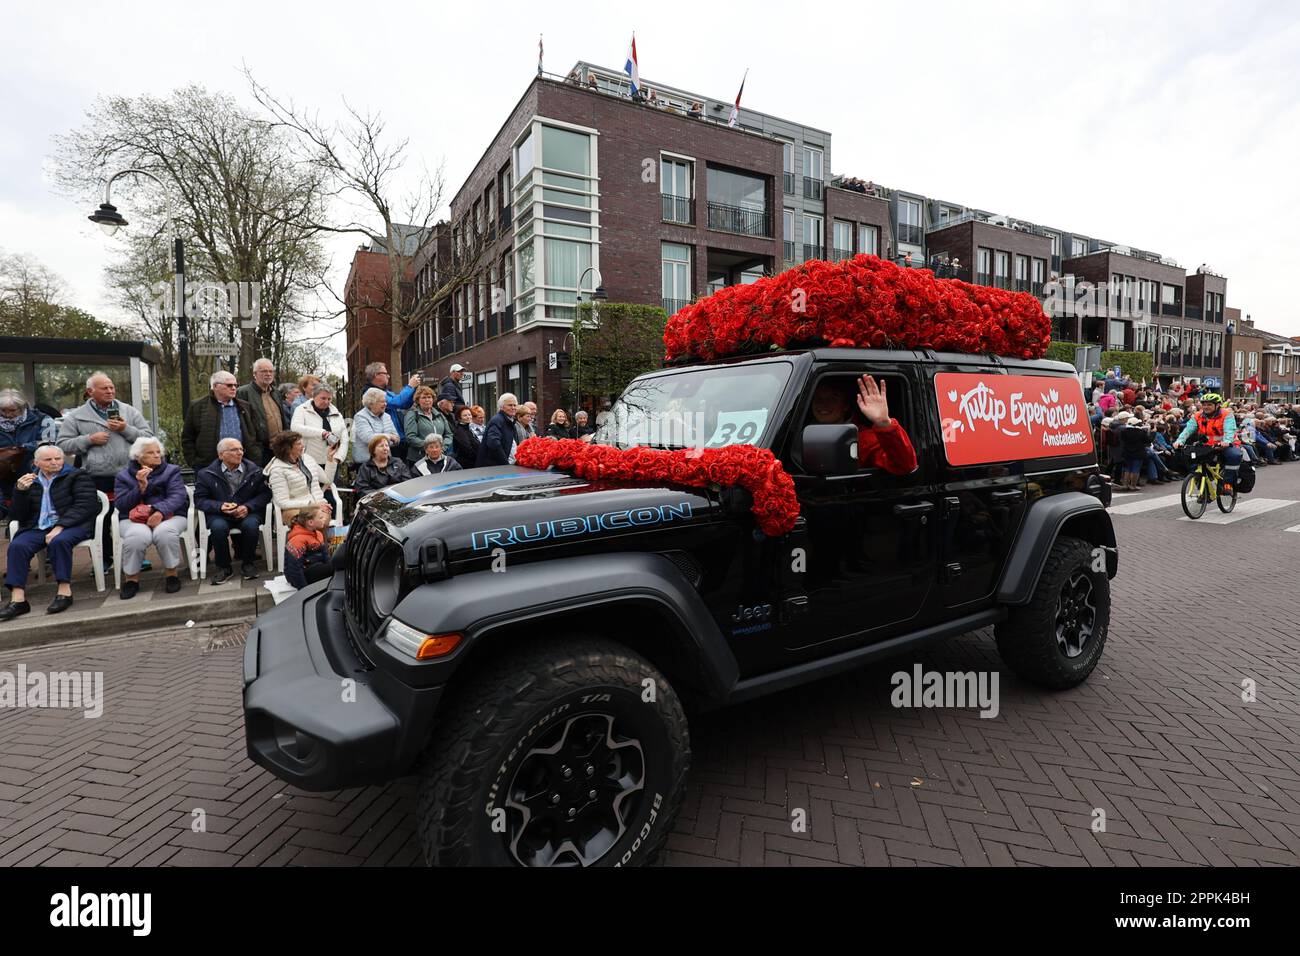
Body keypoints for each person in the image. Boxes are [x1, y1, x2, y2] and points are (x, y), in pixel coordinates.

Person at [56, 370, 153, 570]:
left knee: (132, 516)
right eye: (104, 388)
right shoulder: (77, 416)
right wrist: (88, 440)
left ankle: (135, 556)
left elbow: (148, 438)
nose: (110, 391)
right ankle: (104, 559)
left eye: (112, 387)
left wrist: (125, 429)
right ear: (90, 391)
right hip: (95, 477)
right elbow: (63, 445)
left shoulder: (128, 411)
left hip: (128, 475)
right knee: (100, 520)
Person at [0, 444, 98, 619]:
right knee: (17, 546)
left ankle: (64, 592)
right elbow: (17, 515)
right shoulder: (28, 481)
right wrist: (20, 492)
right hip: (38, 527)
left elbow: (85, 506)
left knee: (59, 541)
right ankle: (18, 600)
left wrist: (60, 527)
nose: (54, 462)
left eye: (58, 458)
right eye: (48, 459)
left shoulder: (77, 476)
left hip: (72, 526)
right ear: (36, 462)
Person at [113, 436, 189, 599]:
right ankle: (131, 579)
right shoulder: (124, 476)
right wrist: (140, 488)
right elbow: (121, 504)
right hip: (133, 519)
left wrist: (158, 511)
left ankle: (171, 574)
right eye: (150, 452)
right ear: (138, 457)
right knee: (136, 536)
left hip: (171, 515)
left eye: (158, 452)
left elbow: (178, 496)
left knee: (165, 533)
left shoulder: (171, 471)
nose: (157, 455)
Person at [193, 437, 270, 584]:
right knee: (218, 527)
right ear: (221, 455)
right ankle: (224, 568)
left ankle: (248, 563)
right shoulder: (206, 474)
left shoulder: (255, 471)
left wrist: (248, 507)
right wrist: (220, 506)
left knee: (251, 526)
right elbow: (200, 500)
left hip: (248, 511)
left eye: (241, 449)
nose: (239, 453)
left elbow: (265, 494)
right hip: (220, 514)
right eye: (234, 450)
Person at [807, 374, 916, 474]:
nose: (824, 403)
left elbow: (905, 466)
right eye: (818, 397)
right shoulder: (796, 429)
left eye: (833, 397)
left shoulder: (863, 438)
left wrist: (884, 423)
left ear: (845, 405)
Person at [182, 370, 265, 470]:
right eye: (229, 385)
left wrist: (256, 457)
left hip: (244, 464)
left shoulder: (245, 407)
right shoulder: (198, 407)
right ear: (216, 386)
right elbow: (188, 438)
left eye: (236, 385)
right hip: (209, 465)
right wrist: (195, 462)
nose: (234, 388)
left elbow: (258, 435)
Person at [290, 384, 349, 507]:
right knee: (312, 496)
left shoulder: (336, 413)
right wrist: (322, 433)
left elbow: (344, 438)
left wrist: (339, 457)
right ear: (314, 396)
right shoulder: (302, 409)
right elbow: (295, 428)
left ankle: (332, 521)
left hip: (332, 461)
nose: (326, 402)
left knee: (331, 496)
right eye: (323, 398)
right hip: (310, 461)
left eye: (329, 399)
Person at [1173, 393, 1241, 492]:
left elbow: (1229, 430)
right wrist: (1179, 441)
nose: (1206, 407)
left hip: (1225, 445)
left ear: (1217, 405)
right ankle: (1205, 493)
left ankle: (1228, 484)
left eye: (1209, 404)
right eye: (1204, 404)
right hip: (1207, 446)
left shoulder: (1226, 414)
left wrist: (1226, 441)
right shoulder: (1197, 416)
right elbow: (1188, 430)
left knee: (1234, 456)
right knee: (1193, 464)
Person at [0, 389, 57, 505]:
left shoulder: (42, 420)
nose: (7, 414)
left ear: (22, 407)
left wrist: (22, 448)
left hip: (34, 475)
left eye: (12, 410)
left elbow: (50, 444)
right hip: (3, 477)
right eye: (3, 410)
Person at [264, 430, 330, 524]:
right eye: (299, 444)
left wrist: (331, 460)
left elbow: (326, 480)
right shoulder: (277, 469)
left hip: (314, 505)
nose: (303, 446)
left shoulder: (307, 459)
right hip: (292, 509)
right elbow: (282, 502)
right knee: (315, 520)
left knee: (323, 516)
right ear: (287, 448)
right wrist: (312, 505)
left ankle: (320, 539)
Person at [363, 361, 421, 456]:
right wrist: (410, 386)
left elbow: (404, 404)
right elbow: (397, 402)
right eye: (386, 373)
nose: (388, 376)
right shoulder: (371, 393)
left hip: (398, 439)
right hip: (387, 443)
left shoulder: (386, 391)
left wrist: (413, 389)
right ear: (376, 375)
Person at [236, 358, 289, 459]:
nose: (268, 374)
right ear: (254, 374)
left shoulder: (276, 393)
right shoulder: (243, 392)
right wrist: (252, 448)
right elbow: (242, 423)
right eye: (264, 371)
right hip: (259, 449)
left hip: (278, 448)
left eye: (270, 371)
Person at [282, 505, 333, 590]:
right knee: (337, 566)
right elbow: (294, 569)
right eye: (320, 518)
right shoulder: (297, 540)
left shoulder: (318, 534)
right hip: (301, 575)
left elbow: (326, 556)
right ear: (310, 522)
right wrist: (304, 590)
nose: (323, 520)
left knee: (337, 565)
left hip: (315, 567)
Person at [403, 386, 454, 463]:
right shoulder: (412, 415)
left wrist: (441, 448)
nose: (427, 400)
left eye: (429, 397)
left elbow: (449, 434)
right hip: (419, 458)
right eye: (423, 398)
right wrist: (430, 448)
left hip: (440, 457)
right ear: (418, 400)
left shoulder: (439, 415)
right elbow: (411, 437)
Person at [351, 387, 401, 464]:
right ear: (371, 403)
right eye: (382, 402)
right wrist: (389, 437)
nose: (385, 404)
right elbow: (369, 438)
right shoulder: (360, 417)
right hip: (366, 462)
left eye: (385, 401)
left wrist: (392, 439)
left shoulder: (387, 416)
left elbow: (396, 437)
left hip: (385, 460)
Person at [477, 393, 519, 467]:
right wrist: (505, 462)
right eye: (510, 405)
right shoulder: (497, 420)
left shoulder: (509, 420)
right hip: (496, 469)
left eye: (515, 405)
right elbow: (493, 443)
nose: (513, 407)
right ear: (501, 407)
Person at [451, 405, 481, 469]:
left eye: (469, 415)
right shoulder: (459, 431)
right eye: (465, 415)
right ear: (459, 417)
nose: (468, 417)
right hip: (467, 465)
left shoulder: (468, 428)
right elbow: (467, 449)